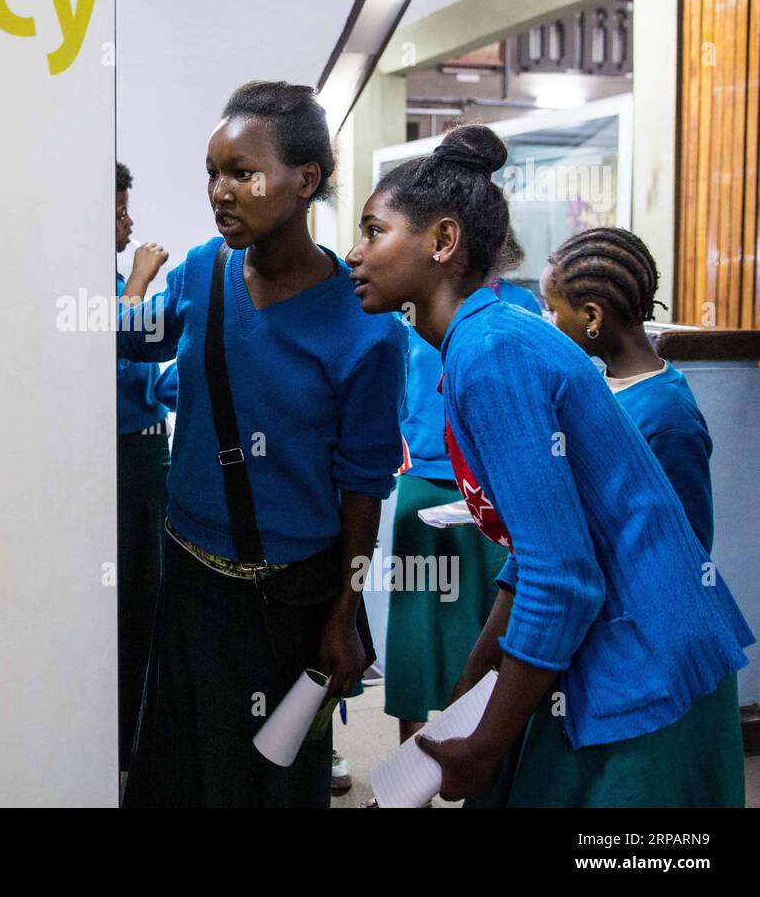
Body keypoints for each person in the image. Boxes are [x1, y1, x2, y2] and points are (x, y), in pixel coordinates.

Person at [345, 124, 754, 808]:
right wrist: (475, 680)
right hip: (627, 648)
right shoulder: (484, 340)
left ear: (443, 242)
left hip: (644, 666)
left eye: (373, 231)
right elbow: (541, 547)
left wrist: (484, 741)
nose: (355, 254)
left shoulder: (491, 353)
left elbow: (563, 576)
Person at [119, 81, 406, 807]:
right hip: (188, 580)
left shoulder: (365, 325)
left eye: (242, 172)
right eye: (213, 172)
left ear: (305, 179)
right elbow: (132, 333)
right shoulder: (201, 272)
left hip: (289, 601)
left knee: (269, 782)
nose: (221, 191)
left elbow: (365, 483)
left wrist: (345, 610)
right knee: (176, 776)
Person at [384, 229, 542, 745]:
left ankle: (489, 761)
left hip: (497, 491)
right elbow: (390, 386)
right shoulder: (409, 304)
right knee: (417, 629)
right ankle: (411, 768)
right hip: (425, 481)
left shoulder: (520, 305)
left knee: (494, 624)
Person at [540, 227, 714, 553]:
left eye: (552, 310)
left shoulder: (668, 419)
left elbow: (688, 548)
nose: (546, 321)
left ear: (592, 316)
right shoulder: (595, 383)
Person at [114, 161, 170, 779]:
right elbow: (113, 348)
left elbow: (151, 370)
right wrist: (138, 282)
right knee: (129, 604)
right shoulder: (91, 292)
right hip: (123, 464)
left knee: (147, 604)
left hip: (145, 459)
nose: (130, 223)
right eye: (119, 210)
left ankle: (134, 745)